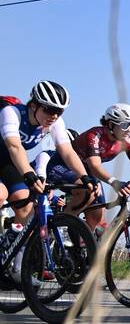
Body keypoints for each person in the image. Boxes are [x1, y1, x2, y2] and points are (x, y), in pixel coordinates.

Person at [48, 103, 130, 230]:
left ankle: (81, 246)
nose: (129, 129)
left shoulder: (127, 142)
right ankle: (53, 229)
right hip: (62, 166)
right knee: (87, 192)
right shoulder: (94, 135)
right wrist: (115, 182)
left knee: (97, 217)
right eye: (125, 125)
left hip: (87, 172)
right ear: (110, 124)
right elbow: (95, 165)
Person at [1, 81, 97, 227]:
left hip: (8, 162)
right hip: (11, 154)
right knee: (1, 195)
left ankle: (14, 246)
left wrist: (84, 176)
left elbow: (67, 151)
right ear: (34, 105)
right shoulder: (12, 112)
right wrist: (28, 174)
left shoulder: (55, 122)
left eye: (60, 111)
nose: (55, 116)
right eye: (50, 110)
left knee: (26, 206)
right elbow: (14, 146)